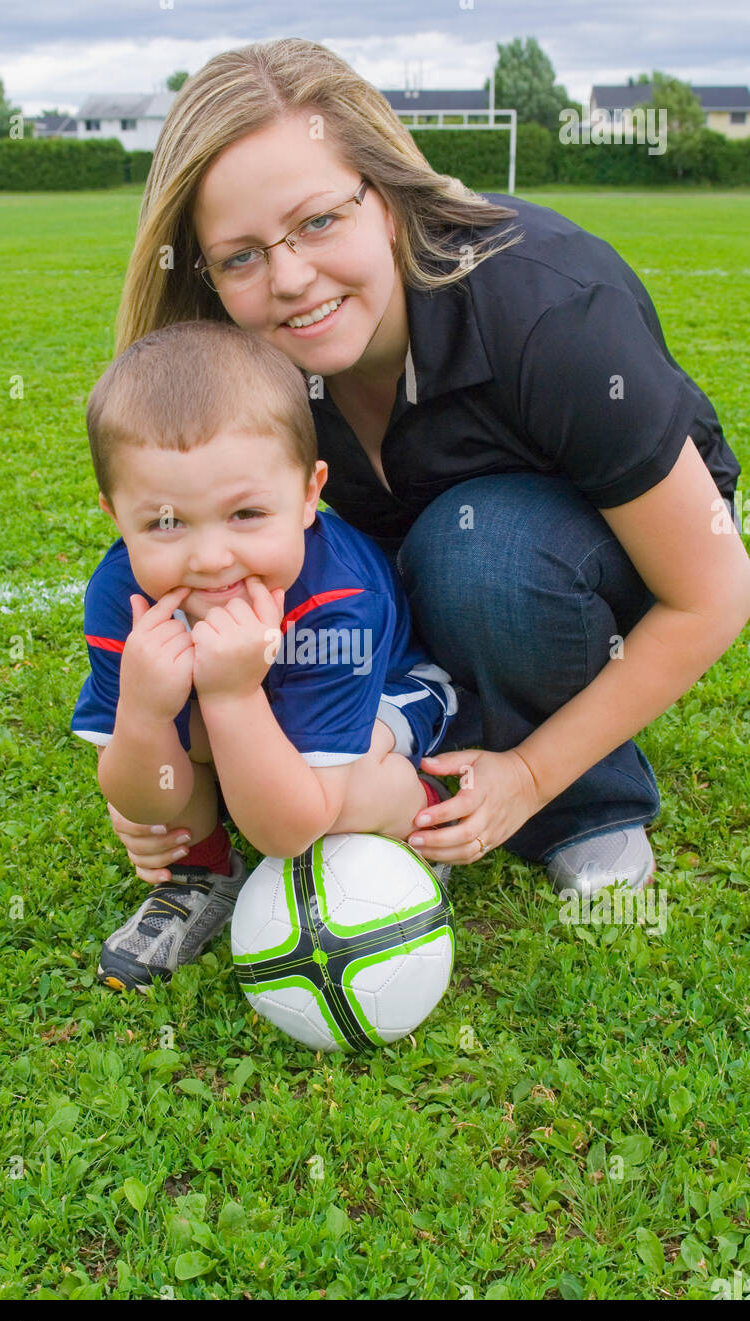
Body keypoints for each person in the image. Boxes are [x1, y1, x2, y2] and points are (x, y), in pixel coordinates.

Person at [104, 37, 750, 901]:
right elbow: (191, 546)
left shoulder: (548, 315)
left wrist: (529, 772)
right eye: (243, 256)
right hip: (421, 541)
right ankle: (410, 729)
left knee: (474, 558)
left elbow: (711, 593)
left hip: (604, 541)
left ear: (391, 197)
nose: (291, 278)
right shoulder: (239, 365)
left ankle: (588, 808)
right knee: (339, 561)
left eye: (319, 221)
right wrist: (157, 750)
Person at [71, 319, 458, 990]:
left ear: (309, 493)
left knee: (346, 787)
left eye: (246, 514)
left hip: (385, 694)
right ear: (115, 516)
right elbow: (137, 795)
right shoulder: (123, 595)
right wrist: (139, 716)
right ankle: (202, 875)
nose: (211, 557)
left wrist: (229, 694)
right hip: (251, 705)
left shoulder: (338, 601)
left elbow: (291, 830)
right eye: (165, 523)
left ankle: (414, 811)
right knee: (159, 756)